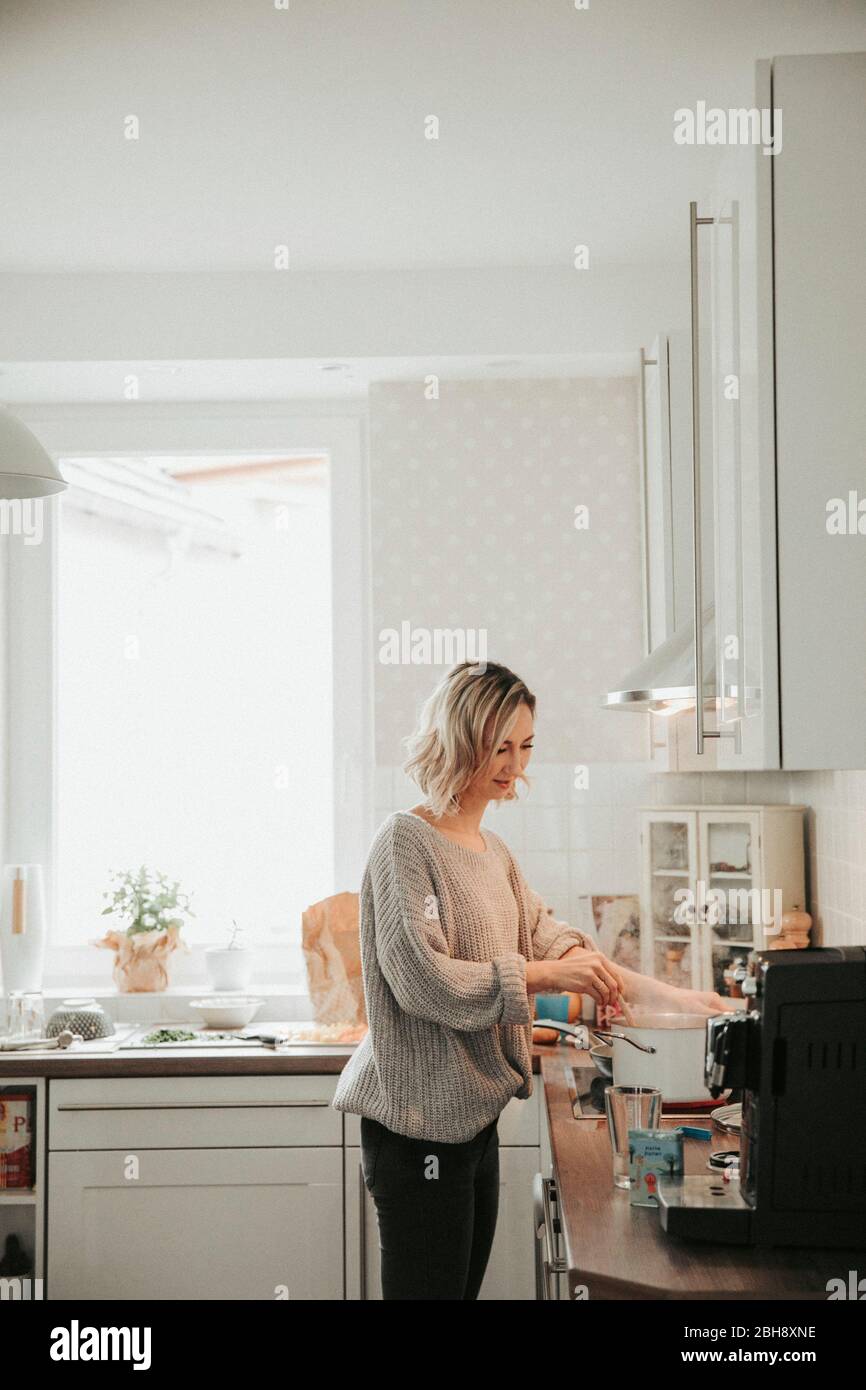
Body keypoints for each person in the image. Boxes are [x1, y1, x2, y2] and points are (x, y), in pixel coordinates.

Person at [332, 660, 729, 1299]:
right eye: (499, 746)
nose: (514, 764)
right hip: (415, 1131)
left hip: (471, 1125)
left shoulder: (494, 854)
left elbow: (561, 943)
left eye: (525, 747)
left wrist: (683, 998)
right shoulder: (405, 842)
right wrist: (547, 974)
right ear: (460, 739)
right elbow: (425, 982)